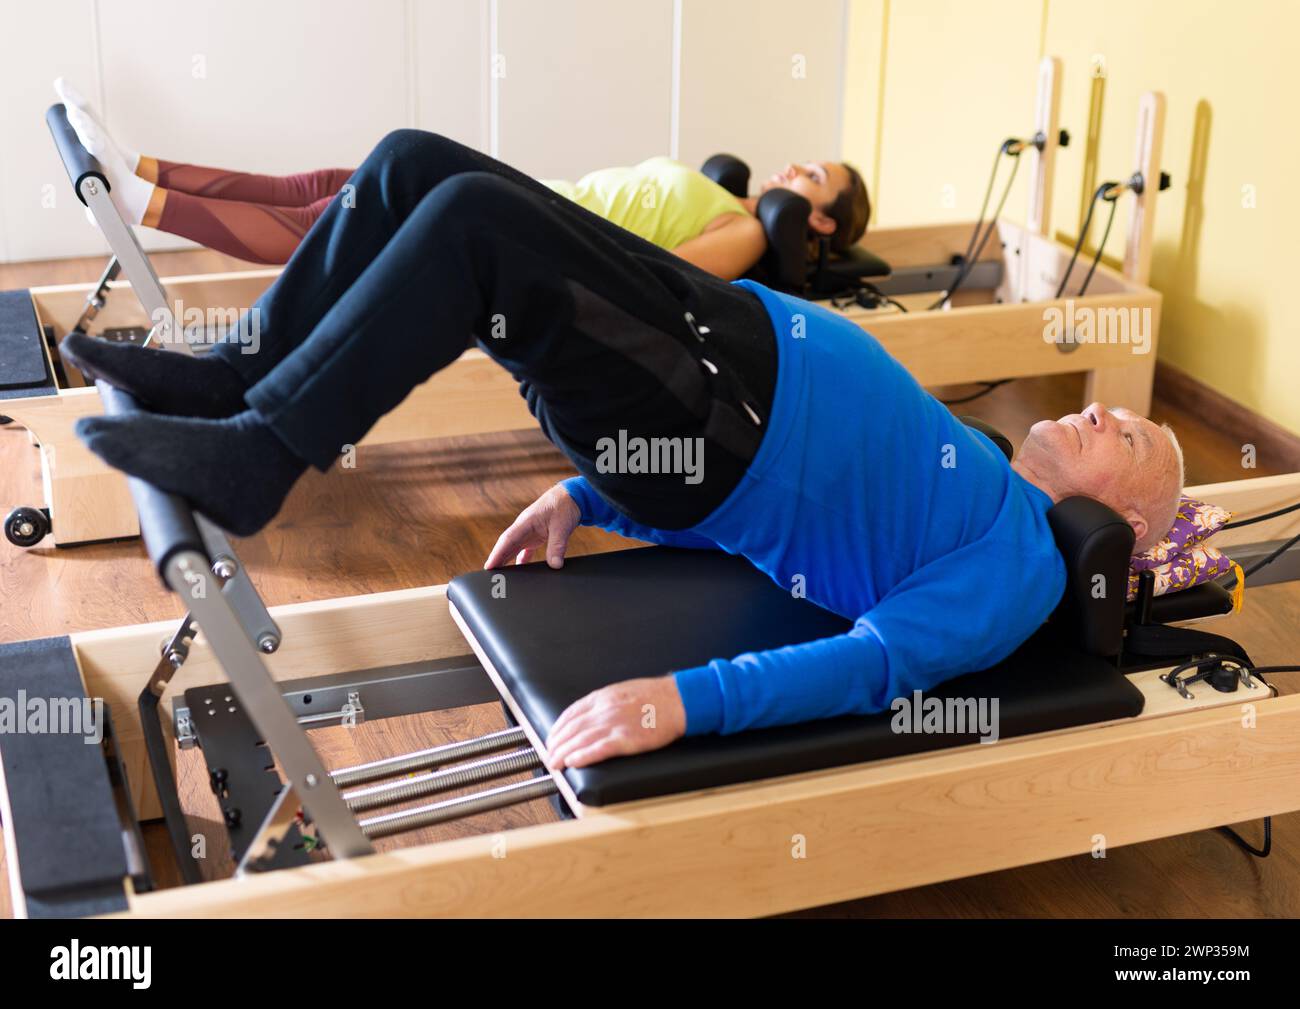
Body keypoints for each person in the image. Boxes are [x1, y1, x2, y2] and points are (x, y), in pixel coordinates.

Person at [63, 129, 1183, 772]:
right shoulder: (986, 468)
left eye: (1121, 435)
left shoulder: (1020, 563)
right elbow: (806, 530)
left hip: (714, 417)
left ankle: (267, 448)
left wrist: (685, 703)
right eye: (1113, 411)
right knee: (413, 167)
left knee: (469, 231)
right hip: (717, 346)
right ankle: (236, 374)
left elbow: (883, 665)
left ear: (1124, 525)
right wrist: (587, 495)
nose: (1097, 416)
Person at [54, 78, 869, 276]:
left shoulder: (748, 230)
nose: (796, 167)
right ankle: (142, 172)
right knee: (332, 182)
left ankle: (143, 204)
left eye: (815, 178)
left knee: (338, 221)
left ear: (820, 223)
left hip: (532, 229)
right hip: (535, 193)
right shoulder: (727, 191)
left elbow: (659, 274)